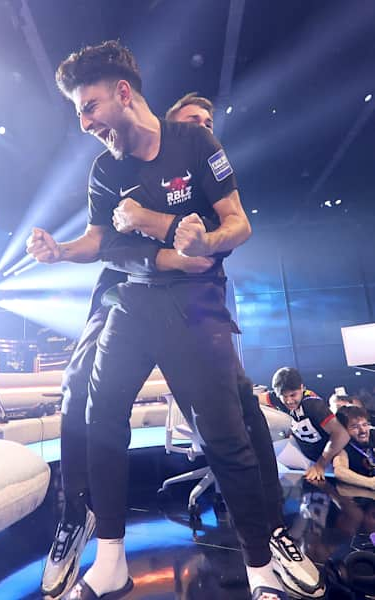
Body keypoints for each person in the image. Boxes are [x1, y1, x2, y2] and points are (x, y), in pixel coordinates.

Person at [27, 40, 321, 600]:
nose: (85, 122)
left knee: (227, 433)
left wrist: (192, 234)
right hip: (132, 301)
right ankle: (108, 556)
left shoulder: (194, 141)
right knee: (99, 413)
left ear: (122, 93)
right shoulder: (104, 169)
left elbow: (237, 225)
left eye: (88, 106)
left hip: (194, 303)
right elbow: (98, 240)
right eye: (78, 113)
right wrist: (61, 251)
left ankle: (261, 563)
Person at [270, 367, 350, 482]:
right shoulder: (276, 397)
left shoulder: (313, 404)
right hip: (302, 452)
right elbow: (256, 397)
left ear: (302, 387)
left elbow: (342, 435)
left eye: (293, 395)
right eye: (284, 396)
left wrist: (320, 464)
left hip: (327, 456)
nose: (289, 401)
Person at [333, 405, 375, 490]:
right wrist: (370, 483)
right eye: (355, 427)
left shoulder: (373, 435)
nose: (363, 431)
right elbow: (339, 472)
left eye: (365, 424)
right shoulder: (342, 446)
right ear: (344, 430)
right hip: (360, 494)